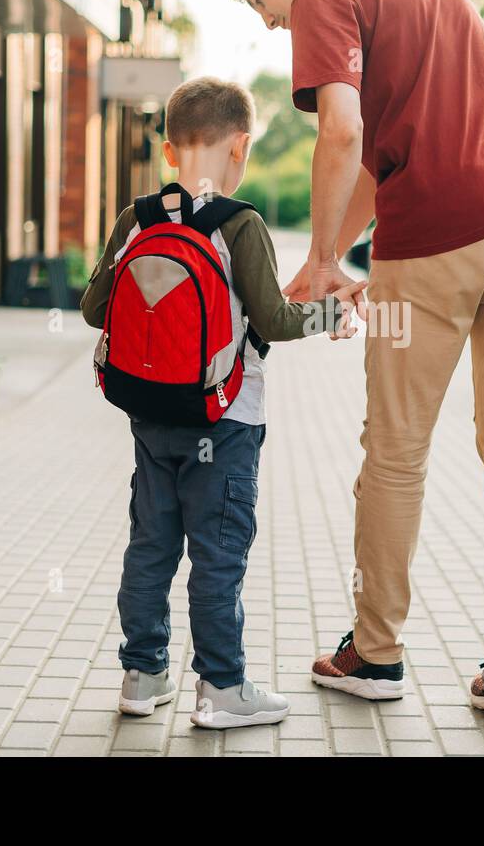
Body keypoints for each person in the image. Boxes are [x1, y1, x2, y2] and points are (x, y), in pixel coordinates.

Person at [222, 0, 484, 727]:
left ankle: (375, 654)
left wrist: (313, 263)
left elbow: (340, 135)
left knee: (395, 451)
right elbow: (380, 163)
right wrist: (331, 260)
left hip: (439, 237)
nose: (271, 19)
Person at [80, 76, 365, 729]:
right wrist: (330, 311)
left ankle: (142, 674)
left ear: (170, 151)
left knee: (151, 543)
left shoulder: (137, 218)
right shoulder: (240, 225)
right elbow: (277, 319)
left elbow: (95, 308)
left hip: (150, 414)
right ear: (241, 147)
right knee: (218, 549)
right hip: (225, 418)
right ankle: (221, 687)